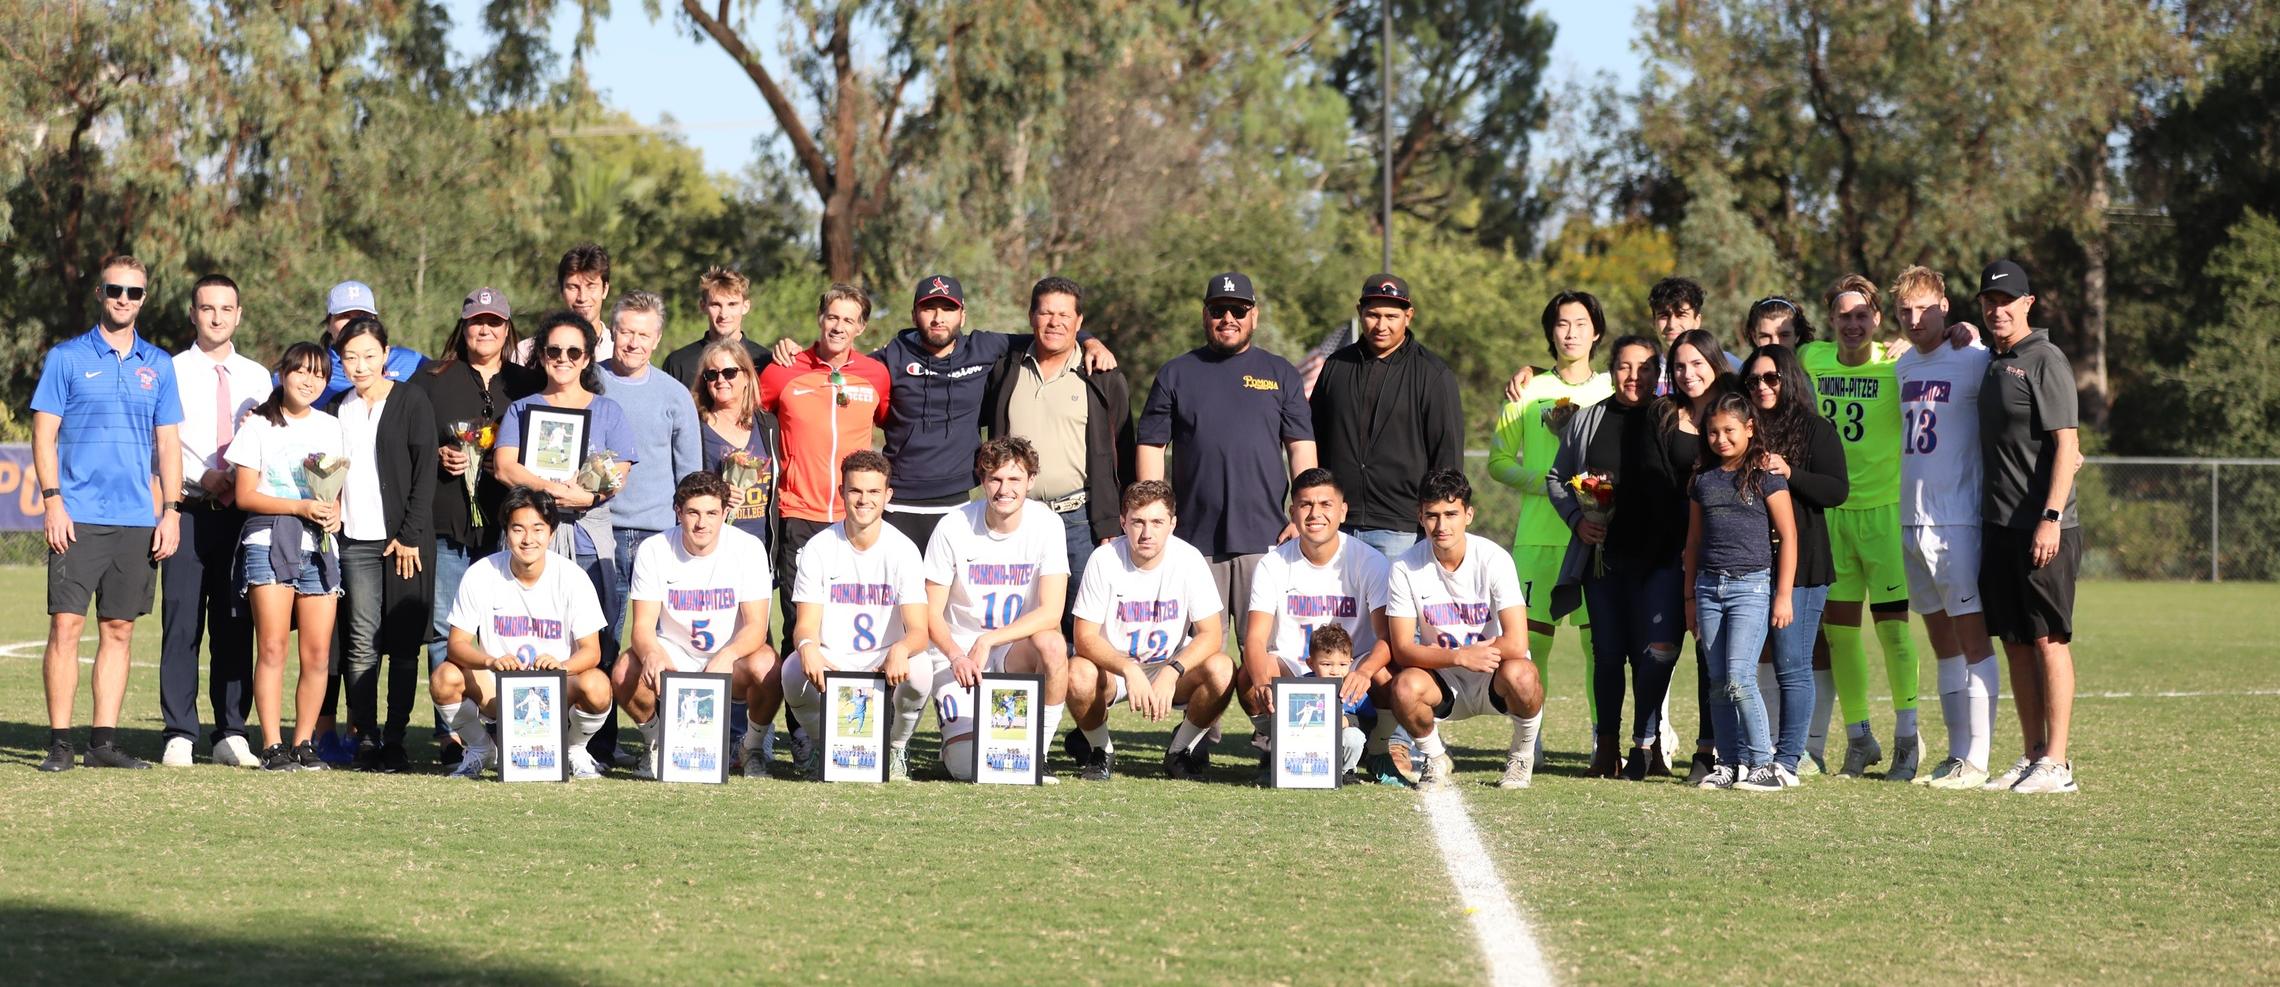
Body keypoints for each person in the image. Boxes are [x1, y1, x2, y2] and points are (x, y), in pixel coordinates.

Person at [778, 274, 1117, 547]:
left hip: (959, 502)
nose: (938, 318)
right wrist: (796, 352)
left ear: (962, 315)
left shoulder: (984, 347)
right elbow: (840, 362)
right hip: (899, 501)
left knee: (951, 607)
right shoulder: (889, 358)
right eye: (929, 308)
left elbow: (1050, 330)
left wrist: (1089, 340)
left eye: (948, 309)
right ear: (914, 314)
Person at [32, 254, 184, 772]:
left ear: (145, 298)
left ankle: (103, 743)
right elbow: (44, 434)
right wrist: (53, 501)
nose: (124, 299)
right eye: (115, 290)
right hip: (77, 516)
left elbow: (167, 444)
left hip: (139, 520)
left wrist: (171, 511)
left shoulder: (158, 364)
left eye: (134, 292)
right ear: (100, 293)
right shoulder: (66, 357)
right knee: (66, 629)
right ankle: (59, 742)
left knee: (119, 630)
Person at [1138, 271, 1318, 690]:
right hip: (1195, 543)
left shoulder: (1281, 373)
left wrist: (1302, 513)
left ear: (1253, 315)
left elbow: (1301, 449)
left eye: (1238, 310)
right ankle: (1200, 739)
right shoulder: (1176, 373)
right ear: (1206, 315)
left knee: (1268, 652)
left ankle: (1270, 736)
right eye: (1218, 310)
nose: (1228, 318)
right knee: (1203, 652)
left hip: (1268, 539)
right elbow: (1150, 447)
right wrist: (1154, 518)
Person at [493, 311, 637, 764]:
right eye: (553, 350)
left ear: (588, 357)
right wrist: (556, 491)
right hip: (534, 535)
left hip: (590, 536)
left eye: (573, 351)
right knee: (524, 632)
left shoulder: (608, 410)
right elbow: (505, 467)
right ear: (542, 355)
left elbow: (619, 475)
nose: (563, 359)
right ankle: (517, 738)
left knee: (598, 640)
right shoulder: (523, 408)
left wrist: (588, 492)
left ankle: (593, 746)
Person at [1799, 274, 1923, 779]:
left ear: (1877, 319)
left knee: (1893, 630)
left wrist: (1956, 330)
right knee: (1841, 633)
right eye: (1843, 316)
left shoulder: (1899, 362)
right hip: (1832, 517)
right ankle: (1858, 738)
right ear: (1831, 321)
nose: (1853, 324)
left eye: (1862, 316)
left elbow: (1956, 346)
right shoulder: (1812, 359)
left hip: (1884, 516)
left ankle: (1907, 739)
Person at [413, 287, 542, 762]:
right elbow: (411, 444)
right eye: (475, 321)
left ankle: (502, 723)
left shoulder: (528, 382)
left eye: (494, 322)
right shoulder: (432, 378)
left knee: (505, 629)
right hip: (447, 522)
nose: (484, 330)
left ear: (507, 330)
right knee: (448, 626)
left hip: (510, 526)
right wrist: (440, 455)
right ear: (462, 326)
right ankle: (452, 732)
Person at [1548, 336, 1684, 780]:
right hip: (1604, 560)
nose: (1635, 376)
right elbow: (1557, 477)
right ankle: (1605, 747)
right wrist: (1576, 518)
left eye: (1645, 367)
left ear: (1657, 373)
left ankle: (1650, 745)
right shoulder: (1588, 420)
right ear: (1612, 371)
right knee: (1608, 654)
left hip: (1662, 558)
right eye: (1625, 367)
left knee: (1654, 656)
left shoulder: (1670, 417)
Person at [1973, 259, 2082, 795]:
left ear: (2027, 303)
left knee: (2048, 641)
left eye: (2007, 300)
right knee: (2016, 641)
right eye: (1989, 301)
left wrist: (2052, 517)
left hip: (2043, 526)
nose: (1998, 309)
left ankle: (2058, 765)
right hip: (1998, 526)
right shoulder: (1992, 361)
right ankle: (2032, 753)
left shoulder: (2045, 359)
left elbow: (2068, 446)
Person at [1489, 290, 1612, 759]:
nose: (1572, 332)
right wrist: (1549, 484)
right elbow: (1499, 462)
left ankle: (1603, 740)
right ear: (1550, 332)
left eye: (1581, 323)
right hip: (1537, 540)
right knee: (1528, 649)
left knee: (1596, 650)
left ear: (1596, 331)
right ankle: (1529, 740)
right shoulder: (1528, 390)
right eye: (1562, 324)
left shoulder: (1610, 390)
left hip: (1594, 540)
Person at [1891, 266, 2000, 789]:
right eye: (1905, 311)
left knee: (1973, 641)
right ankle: (1957, 755)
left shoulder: (1973, 358)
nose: (1915, 319)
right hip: (1909, 521)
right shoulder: (1903, 364)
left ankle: (1977, 760)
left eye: (1924, 309)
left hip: (1956, 520)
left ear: (1945, 307)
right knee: (1943, 644)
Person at [159, 273, 270, 768]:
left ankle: (231, 730)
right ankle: (180, 730)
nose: (217, 317)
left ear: (239, 314)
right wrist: (206, 475)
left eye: (226, 308)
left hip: (240, 517)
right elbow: (162, 440)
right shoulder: (170, 370)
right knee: (182, 621)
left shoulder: (259, 376)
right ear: (193, 313)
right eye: (207, 308)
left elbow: (268, 442)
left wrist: (238, 476)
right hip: (188, 509)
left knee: (234, 622)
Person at [432, 486, 613, 779]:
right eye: (518, 529)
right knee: (444, 677)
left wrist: (562, 667)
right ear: (506, 531)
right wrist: (490, 661)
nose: (528, 539)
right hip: (497, 689)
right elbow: (456, 645)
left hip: (556, 690)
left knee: (597, 685)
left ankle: (574, 750)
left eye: (538, 529)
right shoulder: (481, 573)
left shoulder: (573, 578)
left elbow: (592, 651)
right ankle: (480, 749)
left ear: (551, 533)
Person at [983, 276, 1134, 628]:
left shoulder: (1102, 376)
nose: (1055, 323)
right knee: (1021, 622)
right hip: (1017, 518)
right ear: (1031, 316)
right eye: (1046, 313)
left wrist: (1116, 517)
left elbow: (1122, 453)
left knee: (1084, 625)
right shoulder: (1006, 369)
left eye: (1065, 315)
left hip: (1080, 520)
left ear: (1079, 322)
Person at [773, 451, 933, 780]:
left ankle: (895, 748)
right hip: (835, 657)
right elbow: (805, 624)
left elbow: (919, 631)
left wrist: (901, 650)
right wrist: (806, 647)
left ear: (887, 496)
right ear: (842, 491)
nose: (864, 500)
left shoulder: (903, 549)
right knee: (791, 670)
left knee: (920, 669)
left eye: (873, 492)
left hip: (884, 656)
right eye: (855, 490)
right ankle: (822, 746)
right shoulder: (819, 547)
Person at [923, 437, 1072, 780]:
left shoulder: (1048, 525)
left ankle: (1039, 751)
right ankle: (963, 734)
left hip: (1011, 651)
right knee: (966, 766)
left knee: (1052, 643)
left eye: (1015, 479)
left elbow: (1051, 611)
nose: (1005, 489)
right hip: (960, 654)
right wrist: (956, 655)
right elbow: (930, 612)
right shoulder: (953, 525)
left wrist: (990, 640)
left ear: (1031, 480)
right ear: (982, 480)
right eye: (995, 479)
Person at [228, 342, 346, 771]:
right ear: (283, 373)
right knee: (274, 647)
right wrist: (297, 507)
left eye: (319, 374)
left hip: (319, 545)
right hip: (268, 540)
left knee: (316, 654)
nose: (309, 380)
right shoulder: (259, 425)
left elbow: (336, 489)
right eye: (301, 371)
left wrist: (335, 515)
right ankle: (273, 745)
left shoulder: (331, 426)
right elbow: (244, 495)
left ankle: (304, 744)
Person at [1385, 469, 1542, 792]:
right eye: (1432, 516)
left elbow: (1517, 641)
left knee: (1524, 675)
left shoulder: (1494, 559)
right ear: (1420, 516)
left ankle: (1522, 755)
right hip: (1444, 676)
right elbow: (1401, 649)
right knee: (1403, 687)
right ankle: (1435, 757)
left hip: (1493, 674)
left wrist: (1474, 655)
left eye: (1451, 514)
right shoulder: (1404, 567)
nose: (1441, 526)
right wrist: (1458, 656)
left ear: (1468, 515)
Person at [1239, 468, 1398, 784]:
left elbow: (1386, 637)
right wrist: (1261, 682)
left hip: (1349, 673)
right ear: (1292, 512)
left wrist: (1363, 672)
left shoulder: (1369, 561)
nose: (1315, 514)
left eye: (1325, 504)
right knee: (1249, 674)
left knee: (1387, 673)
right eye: (1306, 504)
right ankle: (1280, 747)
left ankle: (1378, 751)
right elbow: (1255, 638)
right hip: (1297, 673)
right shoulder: (1274, 564)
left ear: (1342, 511)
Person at [1064, 480, 1230, 781]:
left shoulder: (1189, 558)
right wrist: (1128, 669)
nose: (1146, 532)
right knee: (1077, 673)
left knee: (1222, 668)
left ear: (1172, 524)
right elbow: (1084, 638)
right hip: (1115, 670)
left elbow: (1211, 634)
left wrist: (1172, 671)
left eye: (1157, 522)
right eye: (1137, 522)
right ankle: (1101, 751)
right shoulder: (1104, 559)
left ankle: (1180, 752)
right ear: (1123, 522)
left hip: (1168, 666)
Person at [329, 318, 438, 772]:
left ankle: (395, 738)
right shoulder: (339, 406)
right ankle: (366, 736)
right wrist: (329, 504)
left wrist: (409, 535)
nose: (360, 365)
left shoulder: (410, 399)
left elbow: (424, 469)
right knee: (361, 643)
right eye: (350, 356)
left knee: (405, 644)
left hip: (404, 543)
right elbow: (328, 467)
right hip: (355, 539)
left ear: (386, 354)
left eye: (369, 355)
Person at [620, 472, 778, 779]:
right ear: (678, 512)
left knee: (768, 667)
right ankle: (658, 745)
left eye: (711, 513)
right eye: (692, 512)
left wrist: (727, 656)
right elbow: (642, 627)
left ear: (724, 513)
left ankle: (752, 747)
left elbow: (756, 627)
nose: (701, 523)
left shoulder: (748, 548)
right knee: (625, 671)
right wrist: (652, 653)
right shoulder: (654, 549)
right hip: (675, 651)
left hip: (729, 654)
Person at [1739, 344, 1847, 786]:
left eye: (1772, 378)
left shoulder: (1815, 429)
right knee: (1748, 662)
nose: (1763, 387)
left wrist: (1789, 472)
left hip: (1803, 566)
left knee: (1792, 662)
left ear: (1789, 378)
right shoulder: (1744, 428)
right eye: (1753, 381)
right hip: (1751, 562)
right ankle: (1755, 754)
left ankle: (1789, 761)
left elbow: (1837, 490)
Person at [758, 283, 891, 637]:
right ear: (820, 318)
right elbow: (746, 417)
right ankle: (798, 694)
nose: (838, 326)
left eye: (848, 320)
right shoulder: (782, 369)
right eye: (832, 316)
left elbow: (894, 424)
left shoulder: (876, 374)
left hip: (856, 515)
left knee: (846, 622)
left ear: (861, 327)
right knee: (798, 623)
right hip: (799, 513)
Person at [1684, 390, 1798, 791]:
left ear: (1749, 429)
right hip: (1708, 588)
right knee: (1717, 680)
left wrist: (1782, 595)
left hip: (1751, 588)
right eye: (1713, 432)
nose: (1721, 439)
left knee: (1739, 676)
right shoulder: (1702, 480)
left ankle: (1764, 764)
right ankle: (1729, 764)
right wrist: (1690, 599)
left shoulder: (1766, 476)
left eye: (1730, 430)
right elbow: (1693, 543)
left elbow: (1788, 536)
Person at [1309, 274, 1463, 558]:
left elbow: (1447, 457)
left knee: (1393, 606)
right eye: (1373, 315)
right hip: (1337, 525)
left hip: (1402, 530)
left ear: (1409, 316)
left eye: (1392, 316)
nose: (1381, 325)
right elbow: (1313, 439)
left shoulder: (1432, 374)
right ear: (1359, 312)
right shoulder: (1335, 366)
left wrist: (1441, 524)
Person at [599, 291, 703, 645]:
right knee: (602, 639)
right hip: (599, 531)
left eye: (643, 335)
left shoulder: (674, 395)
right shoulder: (588, 385)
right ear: (612, 332)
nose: (633, 343)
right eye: (626, 332)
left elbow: (690, 475)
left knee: (666, 642)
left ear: (656, 339)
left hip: (658, 536)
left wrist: (685, 530)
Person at [693, 340, 780, 550]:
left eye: (729, 372)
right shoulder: (695, 427)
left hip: (761, 547)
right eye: (712, 375)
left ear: (747, 377)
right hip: (714, 546)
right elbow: (685, 487)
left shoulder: (768, 424)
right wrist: (719, 494)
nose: (721, 380)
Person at [313, 280, 426, 405]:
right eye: (345, 315)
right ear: (328, 324)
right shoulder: (312, 370)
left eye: (362, 315)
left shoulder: (410, 361)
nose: (354, 323)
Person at [662, 267, 770, 388]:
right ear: (703, 306)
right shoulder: (678, 363)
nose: (724, 314)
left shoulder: (764, 362)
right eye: (716, 305)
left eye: (732, 304)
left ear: (745, 306)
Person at [514, 244, 615, 364]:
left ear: (605, 290)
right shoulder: (525, 354)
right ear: (561, 291)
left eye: (591, 286)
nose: (582, 297)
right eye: (573, 287)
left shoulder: (619, 352)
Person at [1303, 625, 1373, 780]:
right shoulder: (1301, 687)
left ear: (1350, 662)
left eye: (1342, 664)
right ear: (1311, 663)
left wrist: (1348, 721)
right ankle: (1296, 768)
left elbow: (1370, 720)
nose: (1335, 671)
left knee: (1353, 736)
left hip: (1341, 741)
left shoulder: (1353, 690)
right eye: (1327, 664)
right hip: (1309, 741)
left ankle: (1346, 771)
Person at [1743, 296, 1817, 350]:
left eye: (1784, 335)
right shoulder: (1740, 370)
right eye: (1765, 336)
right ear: (1754, 337)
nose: (1775, 343)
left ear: (1797, 334)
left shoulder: (1815, 369)